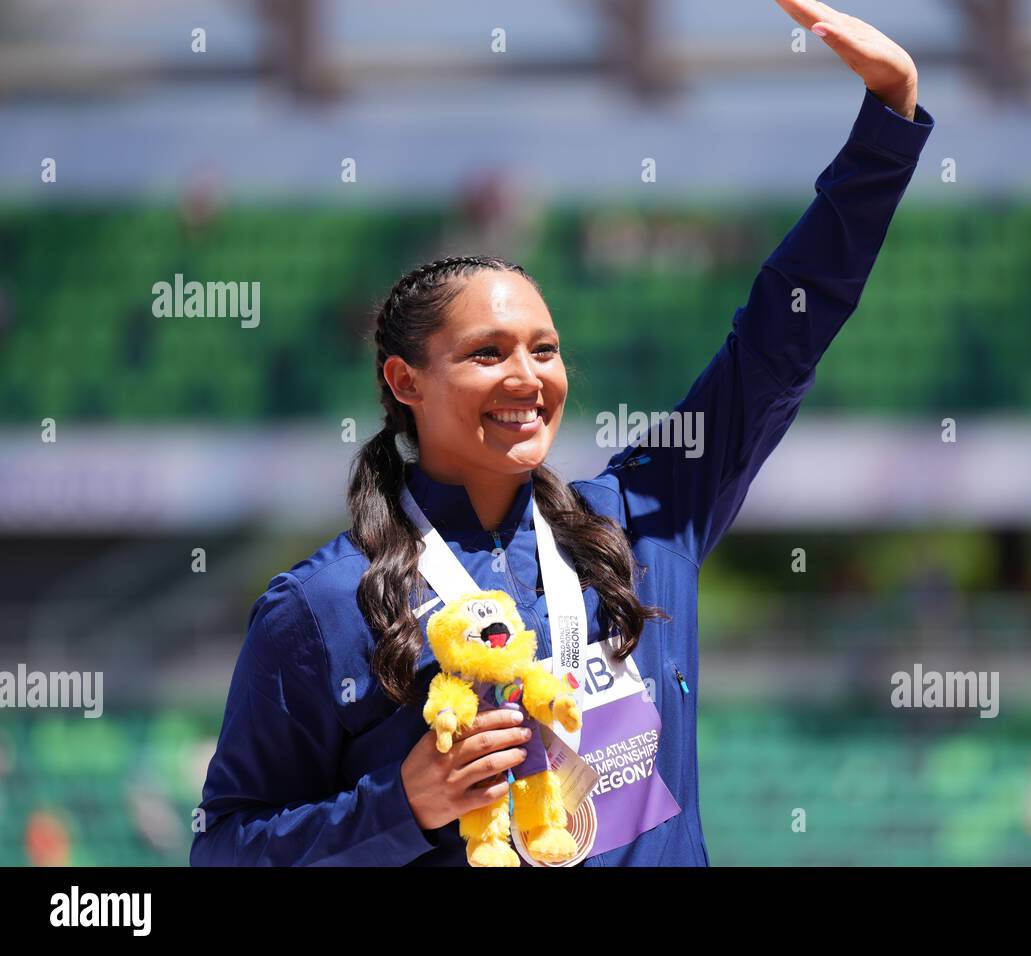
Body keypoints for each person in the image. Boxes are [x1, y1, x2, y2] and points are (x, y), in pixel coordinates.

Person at [191, 0, 934, 866]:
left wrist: (889, 121)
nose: (526, 377)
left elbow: (779, 340)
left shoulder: (647, 522)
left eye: (544, 349)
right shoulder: (323, 607)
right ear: (405, 382)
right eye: (486, 352)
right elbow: (225, 851)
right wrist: (403, 803)